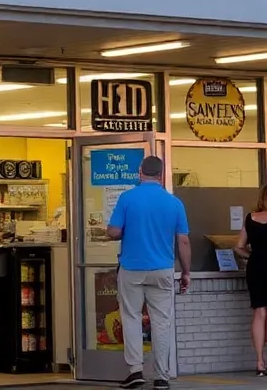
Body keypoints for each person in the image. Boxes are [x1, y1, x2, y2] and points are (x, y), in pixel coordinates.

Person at [107, 155, 191, 390]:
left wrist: (124, 230)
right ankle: (162, 376)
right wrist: (185, 272)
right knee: (161, 322)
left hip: (132, 269)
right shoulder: (174, 203)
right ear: (161, 174)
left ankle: (135, 371)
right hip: (162, 269)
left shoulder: (127, 198)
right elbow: (183, 242)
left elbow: (113, 232)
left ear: (140, 172)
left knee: (131, 318)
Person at [234, 183, 267, 376]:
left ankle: (259, 362)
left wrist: (251, 256)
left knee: (258, 314)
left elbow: (238, 246)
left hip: (255, 268)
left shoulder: (249, 218)